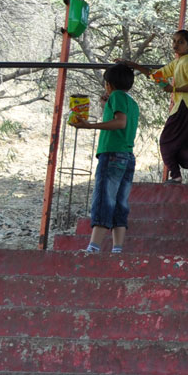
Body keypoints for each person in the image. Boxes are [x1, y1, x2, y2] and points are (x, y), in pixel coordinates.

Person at [120, 29, 188, 185]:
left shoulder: (187, 62)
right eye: (174, 41)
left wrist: (173, 89)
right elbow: (157, 75)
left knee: (166, 142)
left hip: (186, 108)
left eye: (181, 42)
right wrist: (135, 66)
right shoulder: (177, 63)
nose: (175, 44)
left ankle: (176, 176)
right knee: (178, 149)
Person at [71, 64, 138, 254]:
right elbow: (123, 119)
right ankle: (117, 248)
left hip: (112, 154)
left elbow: (119, 122)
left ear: (108, 84)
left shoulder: (116, 97)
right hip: (127, 155)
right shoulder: (131, 102)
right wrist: (105, 106)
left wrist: (90, 125)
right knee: (120, 202)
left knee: (103, 198)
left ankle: (94, 246)